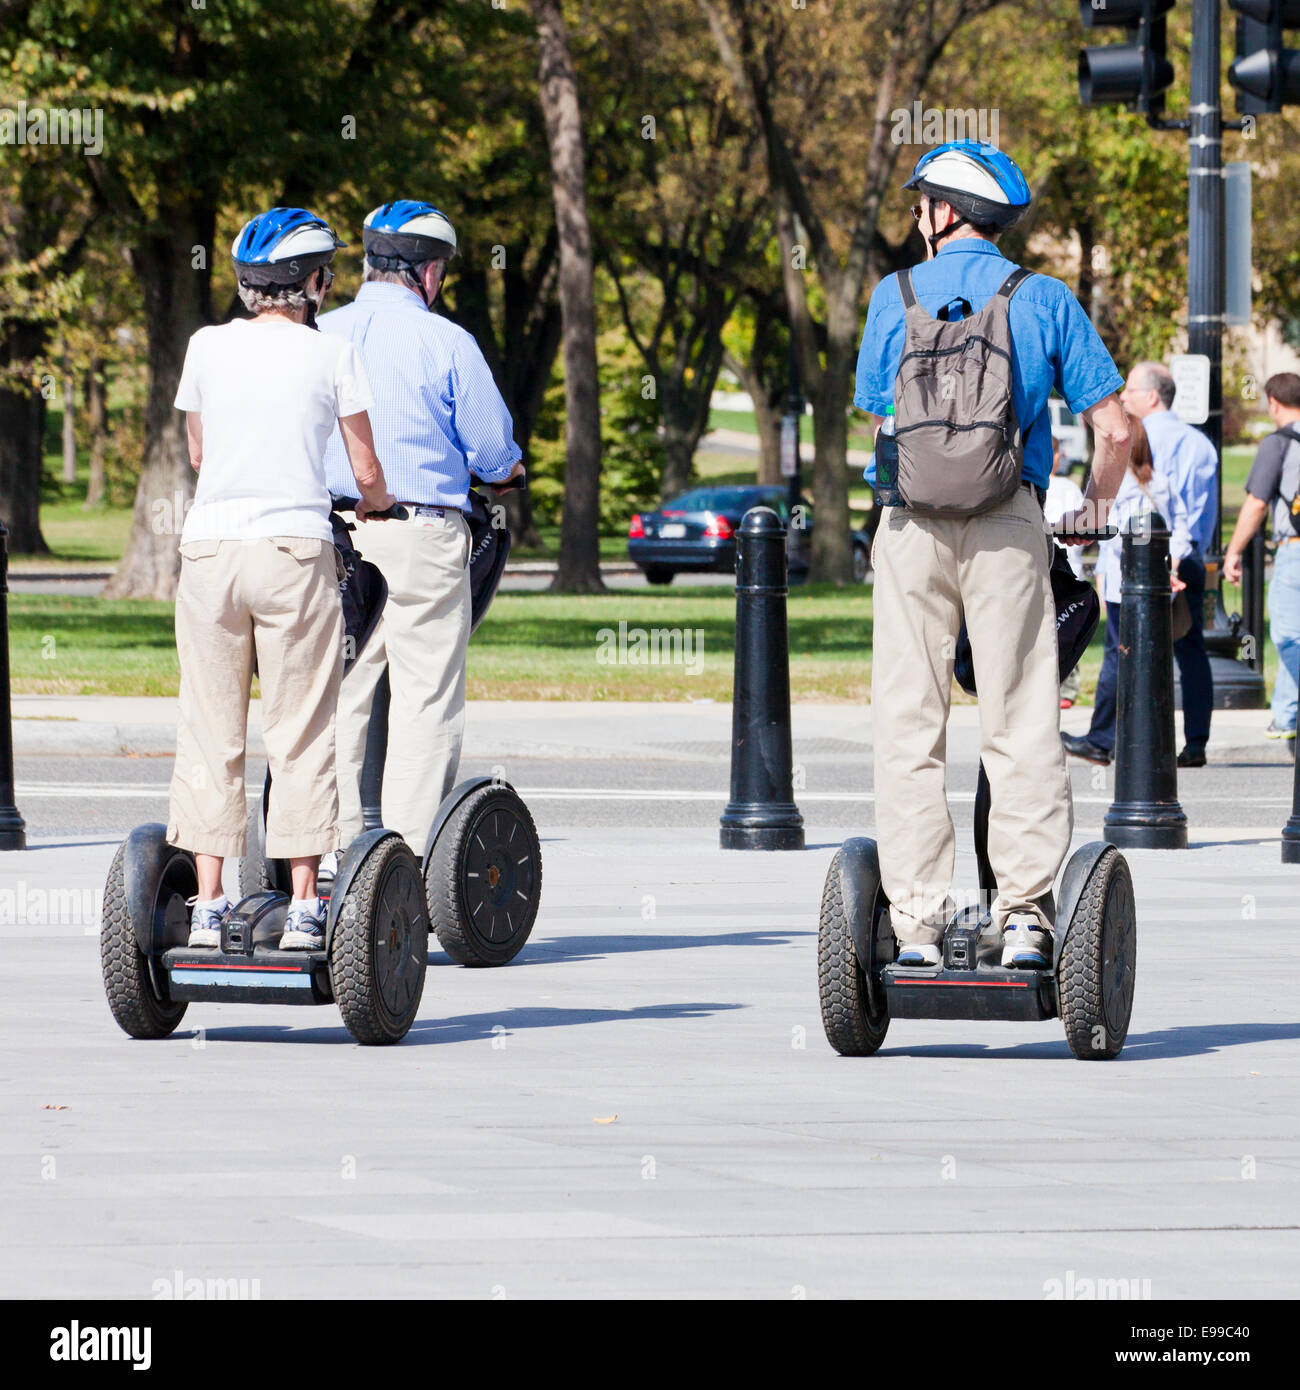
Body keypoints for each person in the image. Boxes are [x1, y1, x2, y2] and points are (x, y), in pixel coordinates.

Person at [855, 140, 1129, 970]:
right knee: (1018, 716)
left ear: (944, 214)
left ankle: (917, 926)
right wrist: (1095, 506)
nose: (916, 221)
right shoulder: (1041, 296)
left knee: (910, 722)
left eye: (920, 207)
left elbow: (879, 425)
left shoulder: (891, 295)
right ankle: (1024, 918)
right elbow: (1114, 427)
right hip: (1011, 519)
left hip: (909, 528)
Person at [167, 207, 394, 951]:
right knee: (299, 731)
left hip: (208, 552)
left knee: (210, 730)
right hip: (293, 550)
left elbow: (200, 454)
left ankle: (205, 907)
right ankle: (301, 909)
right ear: (315, 284)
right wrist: (377, 503)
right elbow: (364, 472)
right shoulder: (331, 355)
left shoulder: (205, 345)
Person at [320, 200, 524, 855]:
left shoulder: (319, 334)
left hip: (333, 538)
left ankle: (327, 858)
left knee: (340, 694)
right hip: (422, 536)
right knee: (425, 702)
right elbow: (492, 452)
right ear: (428, 272)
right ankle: (397, 872)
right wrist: (508, 473)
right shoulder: (447, 342)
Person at [1061, 414, 1192, 766]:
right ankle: (1143, 739)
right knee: (1150, 662)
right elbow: (1179, 531)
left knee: (1117, 663)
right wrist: (1172, 568)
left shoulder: (1122, 488)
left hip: (1127, 589)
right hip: (1159, 587)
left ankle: (1103, 740)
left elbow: (1123, 539)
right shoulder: (1161, 483)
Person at [1120, 361, 1216, 766]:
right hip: (1189, 555)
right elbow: (1206, 514)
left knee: (1132, 648)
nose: (1123, 398)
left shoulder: (1136, 441)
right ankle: (1195, 742)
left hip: (1144, 556)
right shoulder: (1202, 445)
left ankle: (1134, 741)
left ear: (1152, 396)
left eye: (1129, 391)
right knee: (1190, 649)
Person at [1223, 371, 1300, 743]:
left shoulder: (1278, 443)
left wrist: (1233, 551)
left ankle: (1288, 714)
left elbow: (1255, 504)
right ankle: (1285, 716)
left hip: (1294, 551)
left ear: (1272, 402)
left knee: (1287, 635)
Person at [1046, 435, 1086, 707]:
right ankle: (1066, 687)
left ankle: (1060, 687)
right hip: (1068, 570)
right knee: (1066, 631)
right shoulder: (1068, 487)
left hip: (1047, 568)